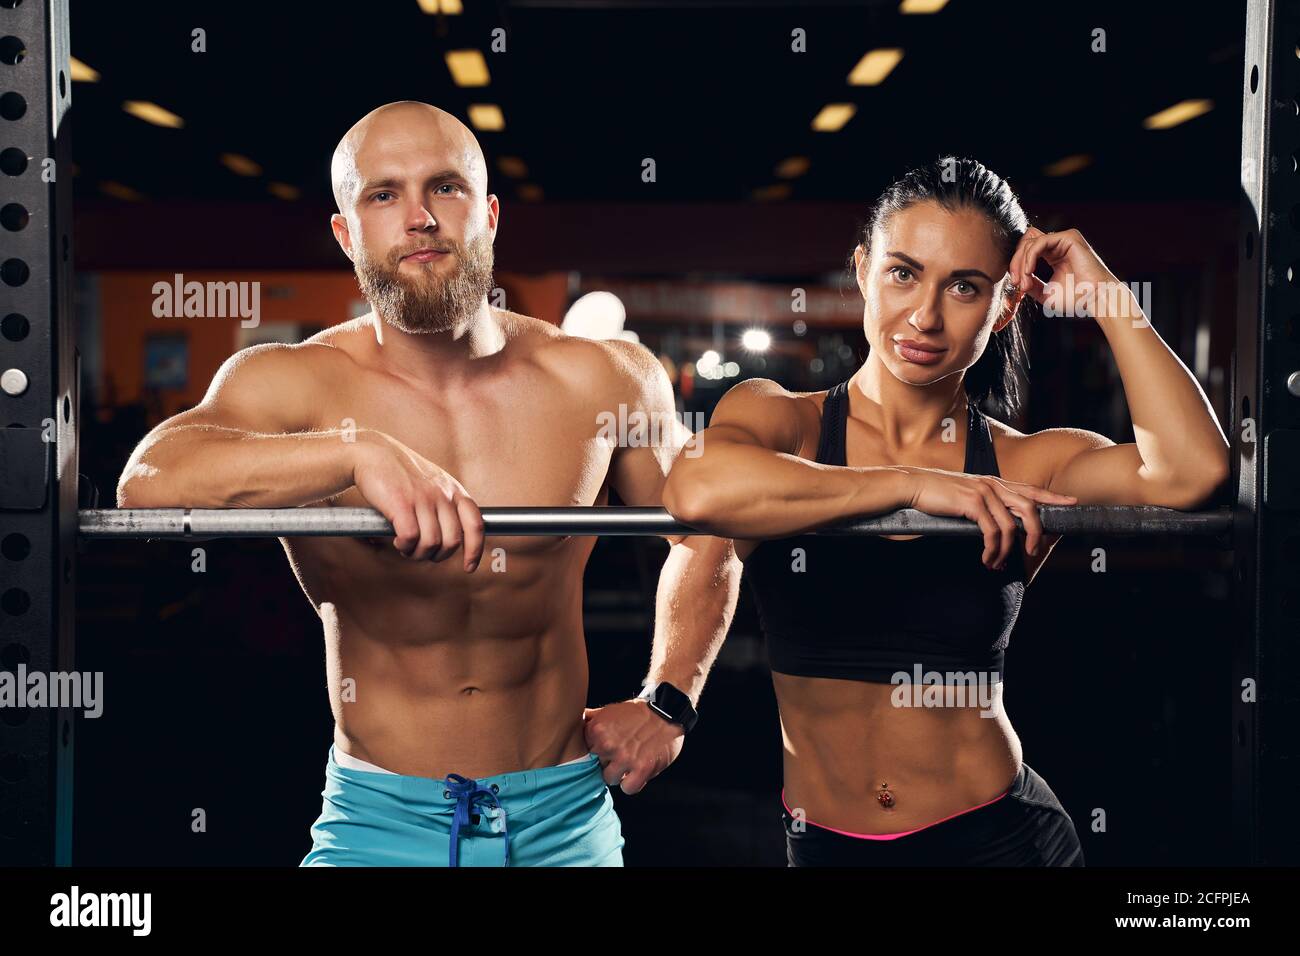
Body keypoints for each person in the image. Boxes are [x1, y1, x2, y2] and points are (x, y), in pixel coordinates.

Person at [116, 101, 741, 867]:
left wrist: (669, 701)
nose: (419, 217)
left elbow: (708, 526)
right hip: (379, 823)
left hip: (565, 820)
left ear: (489, 214)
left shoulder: (600, 377)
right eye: (383, 195)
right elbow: (148, 481)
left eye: (446, 187)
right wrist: (355, 455)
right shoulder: (294, 384)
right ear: (347, 233)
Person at [663, 156, 1230, 866]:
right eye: (903, 273)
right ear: (863, 268)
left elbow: (1194, 471)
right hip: (829, 848)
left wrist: (1111, 295)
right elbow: (696, 492)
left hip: (1001, 842)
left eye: (965, 287)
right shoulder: (783, 418)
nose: (925, 317)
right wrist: (911, 485)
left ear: (1006, 305)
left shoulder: (1028, 464)